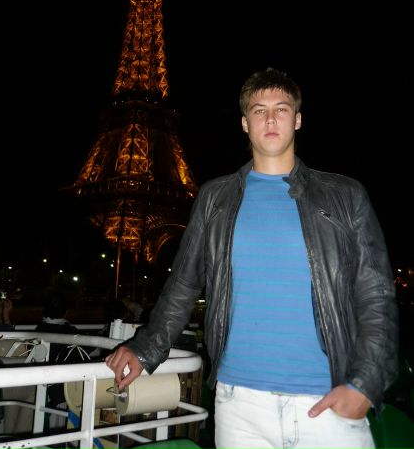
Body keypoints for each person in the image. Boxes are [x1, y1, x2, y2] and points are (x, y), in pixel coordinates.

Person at [105, 67, 399, 449]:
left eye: (281, 109)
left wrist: (366, 383)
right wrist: (145, 348)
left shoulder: (345, 195)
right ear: (245, 123)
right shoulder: (214, 198)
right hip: (238, 406)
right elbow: (184, 284)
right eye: (260, 110)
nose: (271, 119)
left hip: (327, 402)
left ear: (297, 119)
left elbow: (376, 296)